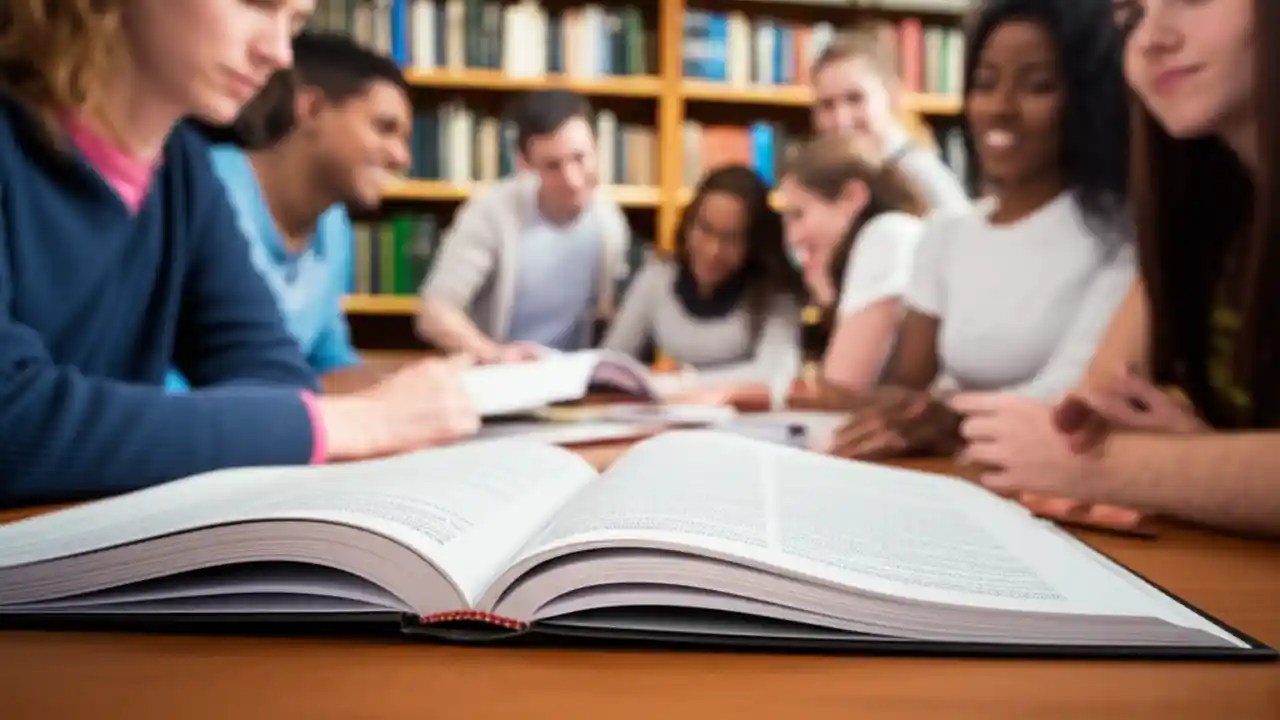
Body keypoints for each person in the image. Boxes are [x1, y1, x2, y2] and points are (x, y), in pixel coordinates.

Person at [0, 0, 477, 505]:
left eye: (296, 22)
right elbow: (11, 421)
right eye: (255, 3)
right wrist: (356, 423)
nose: (279, 53)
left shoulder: (182, 166)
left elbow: (273, 374)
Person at [951, 0, 1280, 538]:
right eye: (1132, 17)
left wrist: (1119, 468)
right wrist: (1204, 461)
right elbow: (1087, 414)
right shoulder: (1200, 220)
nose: (1151, 40)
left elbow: (1070, 452)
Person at [824, 0, 1135, 459]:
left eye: (1037, 86)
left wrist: (948, 419)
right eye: (985, 83)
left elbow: (1072, 395)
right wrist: (895, 411)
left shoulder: (1119, 235)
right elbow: (907, 384)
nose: (1000, 108)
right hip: (955, 470)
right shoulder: (946, 235)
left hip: (1054, 469)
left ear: (1085, 98)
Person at [177, 32, 411, 392]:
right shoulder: (199, 187)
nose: (402, 157)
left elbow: (329, 364)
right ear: (312, 108)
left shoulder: (334, 226)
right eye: (384, 128)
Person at [415, 90, 631, 363]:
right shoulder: (491, 213)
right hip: (499, 372)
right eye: (552, 165)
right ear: (524, 165)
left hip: (574, 375)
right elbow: (434, 312)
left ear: (597, 149)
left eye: (579, 158)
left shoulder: (609, 221)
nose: (572, 180)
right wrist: (494, 354)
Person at [602, 165, 804, 394]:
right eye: (705, 229)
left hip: (742, 413)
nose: (712, 251)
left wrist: (682, 383)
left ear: (753, 243)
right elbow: (611, 364)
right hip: (672, 410)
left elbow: (775, 374)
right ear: (688, 223)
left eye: (730, 238)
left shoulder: (775, 290)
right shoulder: (659, 276)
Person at [778, 135, 929, 393]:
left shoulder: (888, 234)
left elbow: (840, 386)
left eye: (799, 214)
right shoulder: (886, 236)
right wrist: (828, 296)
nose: (793, 237)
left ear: (852, 197)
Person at [809, 33, 971, 214]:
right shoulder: (824, 177)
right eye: (827, 105)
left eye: (855, 99)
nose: (841, 120)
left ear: (892, 95)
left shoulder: (920, 174)